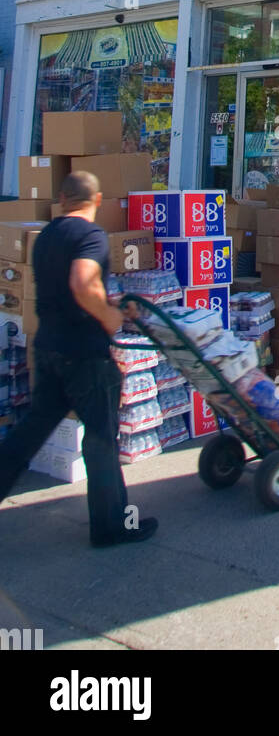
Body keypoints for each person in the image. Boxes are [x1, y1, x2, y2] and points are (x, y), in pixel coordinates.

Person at [0, 171, 158, 547]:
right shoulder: (91, 235)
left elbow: (68, 290)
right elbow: (83, 283)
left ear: (61, 198)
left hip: (49, 347)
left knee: (32, 430)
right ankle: (110, 526)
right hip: (85, 355)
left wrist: (105, 303)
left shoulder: (46, 236)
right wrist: (109, 317)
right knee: (102, 438)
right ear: (97, 200)